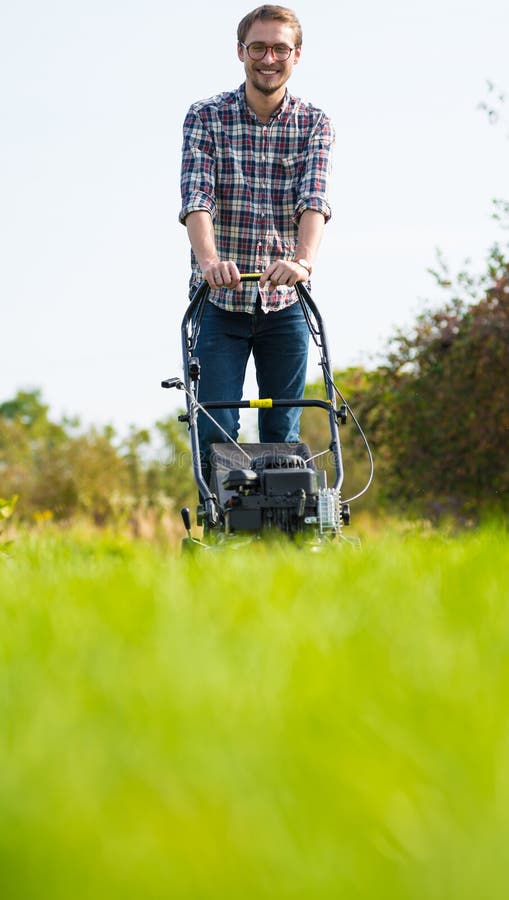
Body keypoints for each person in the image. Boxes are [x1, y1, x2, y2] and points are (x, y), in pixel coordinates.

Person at [179, 4, 334, 482]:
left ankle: (285, 528)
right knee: (216, 425)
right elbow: (196, 197)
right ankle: (228, 530)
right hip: (219, 303)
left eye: (280, 49)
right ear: (241, 52)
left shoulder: (314, 123)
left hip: (284, 302)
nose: (270, 58)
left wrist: (304, 262)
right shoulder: (206, 117)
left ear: (297, 54)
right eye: (259, 48)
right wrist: (210, 261)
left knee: (283, 431)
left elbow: (314, 198)